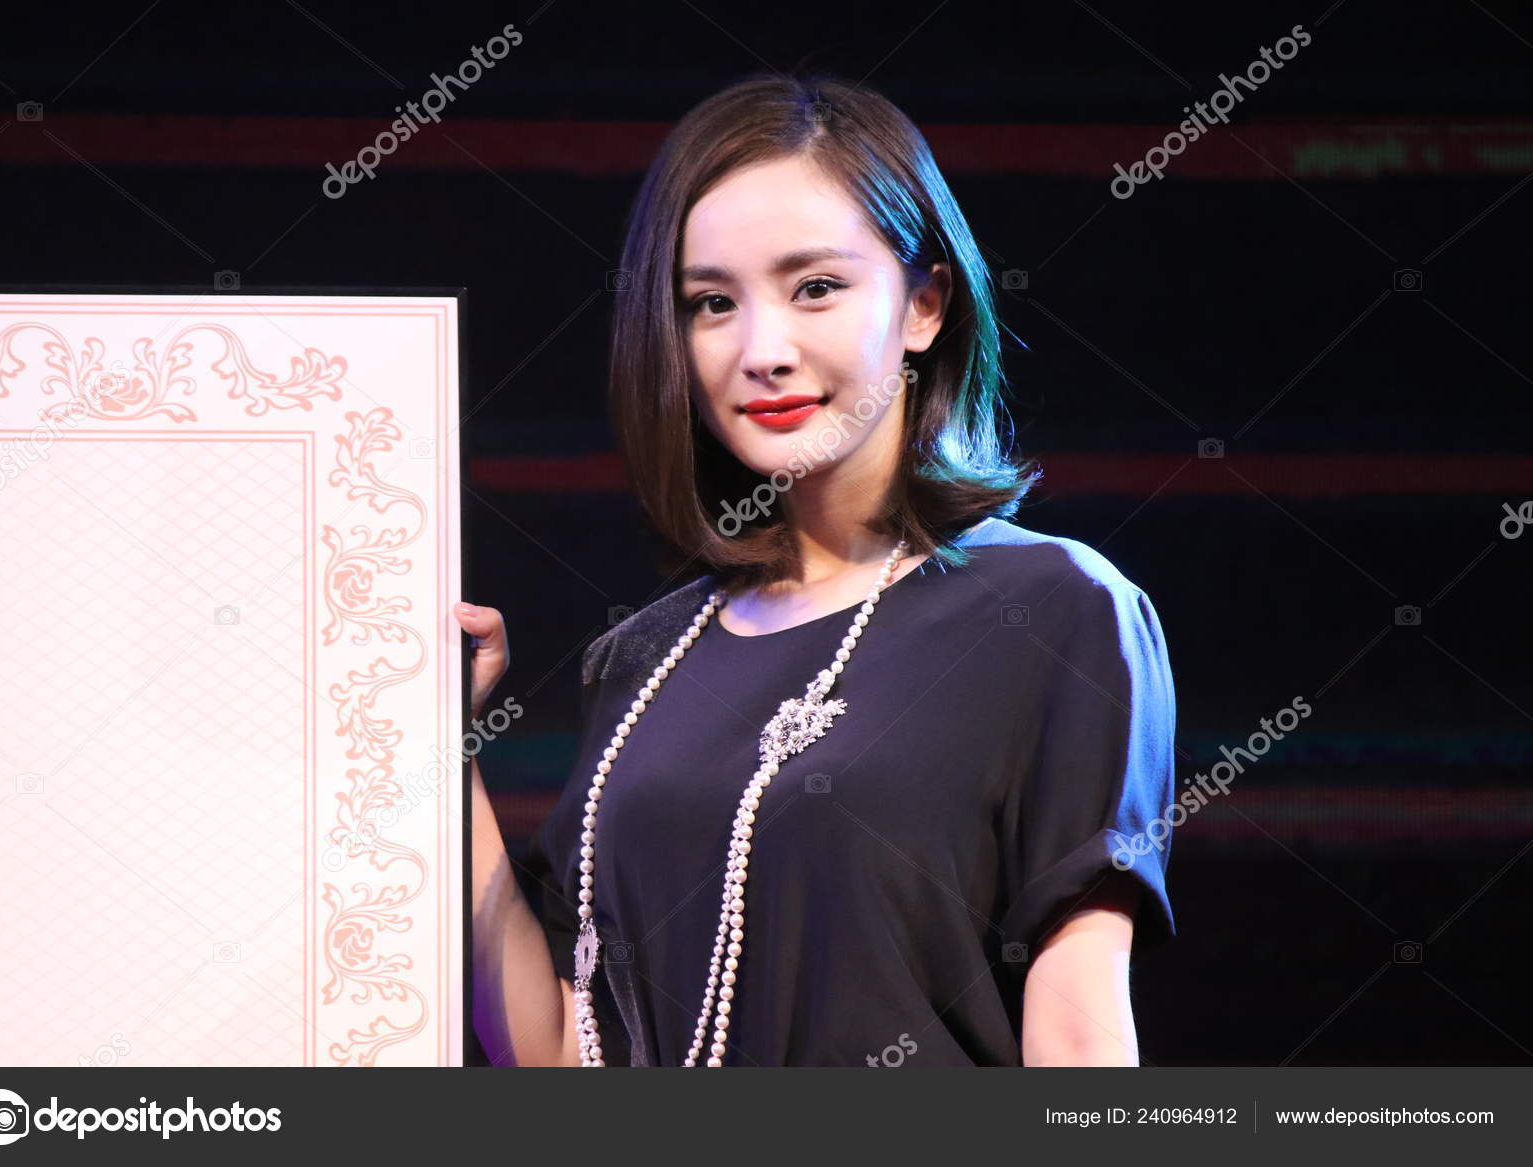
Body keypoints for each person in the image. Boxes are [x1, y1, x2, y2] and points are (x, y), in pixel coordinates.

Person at [464, 72, 1177, 1067]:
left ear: (925, 304)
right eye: (710, 303)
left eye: (815, 288)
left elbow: (1078, 1022)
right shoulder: (640, 660)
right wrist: (431, 738)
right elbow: (551, 1053)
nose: (762, 349)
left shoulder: (1056, 610)